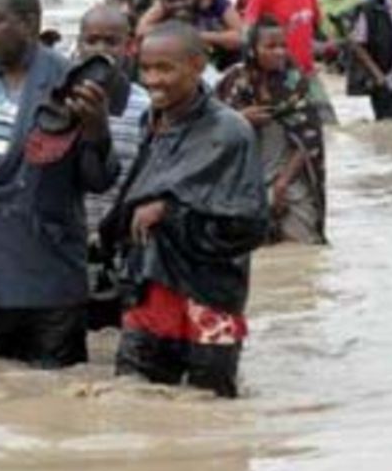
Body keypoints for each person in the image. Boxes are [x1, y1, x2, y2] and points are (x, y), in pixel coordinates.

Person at [0, 0, 117, 368]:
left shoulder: (69, 79)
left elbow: (98, 180)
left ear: (30, 23)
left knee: (51, 402)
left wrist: (96, 130)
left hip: (47, 267)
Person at [103, 22, 268, 398]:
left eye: (165, 69)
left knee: (210, 404)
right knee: (132, 394)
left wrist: (172, 211)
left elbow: (248, 223)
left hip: (208, 290)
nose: (152, 80)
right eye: (145, 69)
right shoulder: (153, 121)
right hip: (151, 279)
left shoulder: (230, 131)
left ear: (196, 66)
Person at [76, 5, 152, 331]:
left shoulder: (145, 107)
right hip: (73, 243)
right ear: (79, 44)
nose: (101, 50)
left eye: (111, 41)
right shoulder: (62, 102)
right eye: (92, 41)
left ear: (130, 46)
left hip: (124, 244)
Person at [217, 18, 326, 245]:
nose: (279, 52)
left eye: (283, 46)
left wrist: (283, 183)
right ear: (253, 49)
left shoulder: (296, 83)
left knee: (303, 249)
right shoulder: (232, 82)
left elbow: (309, 139)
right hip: (242, 182)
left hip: (289, 178)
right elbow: (208, 131)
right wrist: (239, 119)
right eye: (270, 46)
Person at [182, 0, 243, 69]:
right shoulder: (177, 0)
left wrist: (201, 36)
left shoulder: (219, 1)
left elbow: (240, 36)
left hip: (220, 64)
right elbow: (143, 29)